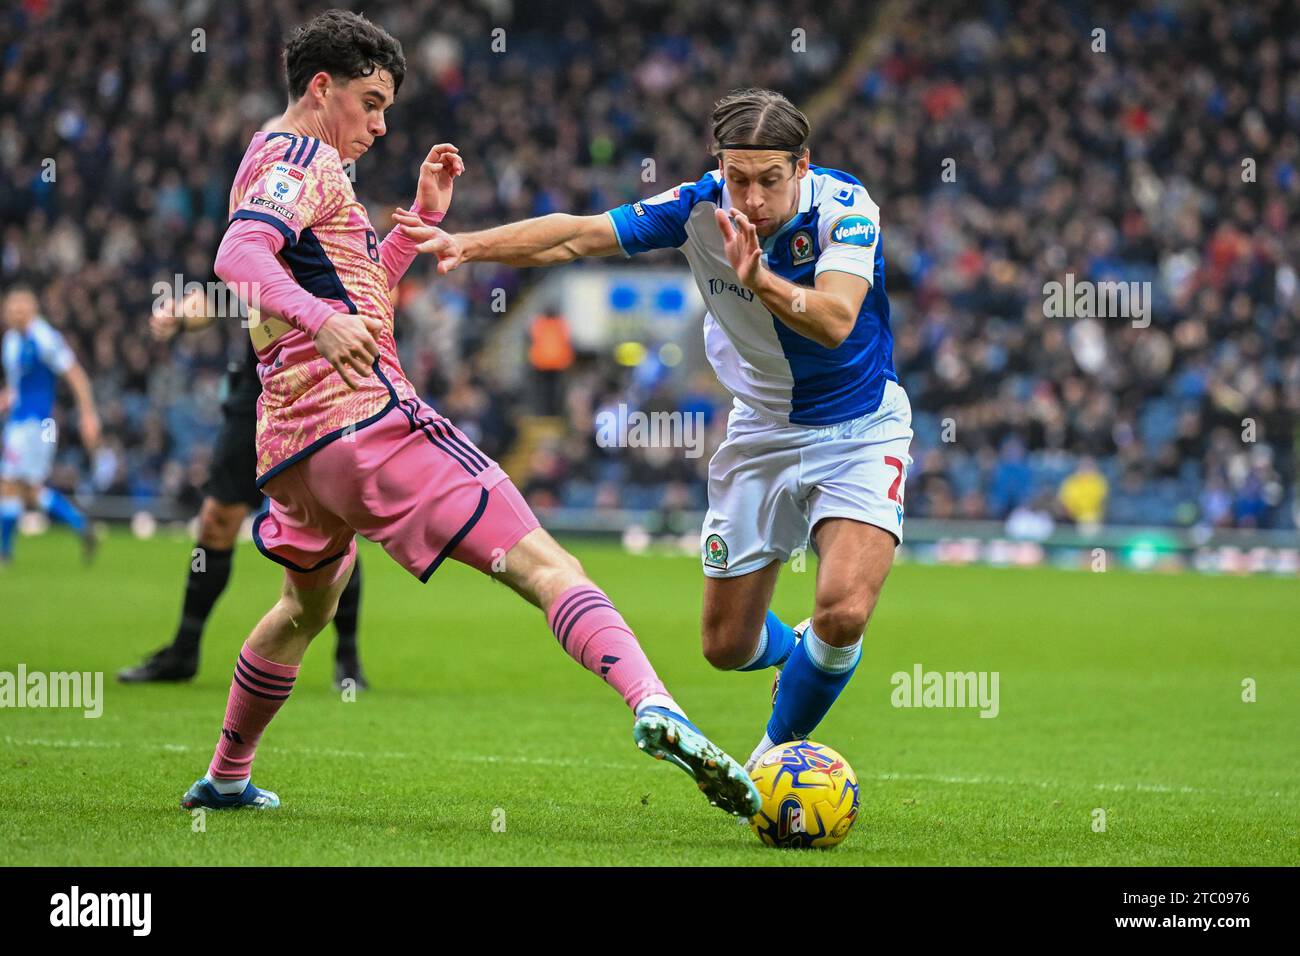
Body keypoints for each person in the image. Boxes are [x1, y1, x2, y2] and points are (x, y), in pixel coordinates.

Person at [180, 10, 758, 819]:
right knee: (549, 568)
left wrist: (414, 225)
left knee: (302, 609)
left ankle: (226, 776)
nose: (381, 126)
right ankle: (655, 704)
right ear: (321, 88)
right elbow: (238, 256)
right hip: (366, 425)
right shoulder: (300, 158)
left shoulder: (271, 157)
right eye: (372, 103)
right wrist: (321, 320)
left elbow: (360, 299)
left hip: (292, 453)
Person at [400, 87, 912, 770]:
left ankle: (767, 762)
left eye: (770, 180)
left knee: (843, 610)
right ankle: (803, 657)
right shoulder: (697, 207)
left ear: (803, 166)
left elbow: (837, 318)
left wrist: (758, 280)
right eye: (738, 178)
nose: (752, 199)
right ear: (719, 167)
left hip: (859, 429)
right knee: (726, 646)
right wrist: (469, 243)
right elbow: (577, 235)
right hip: (759, 431)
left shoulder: (847, 212)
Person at [118, 283, 367, 689]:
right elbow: (217, 296)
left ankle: (348, 660)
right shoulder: (255, 230)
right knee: (216, 519)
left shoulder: (330, 231)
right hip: (258, 391)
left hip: (323, 389)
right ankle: (184, 651)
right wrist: (179, 315)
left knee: (333, 523)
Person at [0, 285, 100, 565]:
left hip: (35, 424)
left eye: (23, 308)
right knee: (30, 490)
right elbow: (18, 385)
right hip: (22, 419)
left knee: (8, 484)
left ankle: (4, 553)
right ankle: (81, 525)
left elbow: (76, 375)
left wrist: (88, 415)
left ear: (33, 310)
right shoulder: (11, 341)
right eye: (13, 308)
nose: (17, 313)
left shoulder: (44, 338)